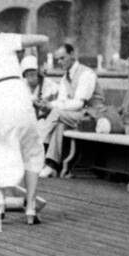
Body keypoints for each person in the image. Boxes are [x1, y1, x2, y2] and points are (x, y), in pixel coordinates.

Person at [0, 16, 50, 224]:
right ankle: (30, 209)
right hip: (15, 97)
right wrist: (40, 65)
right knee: (31, 151)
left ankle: (0, 204)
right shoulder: (4, 39)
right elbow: (43, 39)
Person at [41, 44, 100, 175]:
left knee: (56, 113)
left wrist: (52, 106)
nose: (60, 62)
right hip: (74, 117)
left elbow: (79, 103)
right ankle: (52, 165)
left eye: (63, 58)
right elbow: (62, 101)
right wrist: (49, 104)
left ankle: (37, 150)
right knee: (60, 124)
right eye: (58, 59)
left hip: (94, 118)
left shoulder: (86, 74)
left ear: (72, 55)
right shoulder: (64, 79)